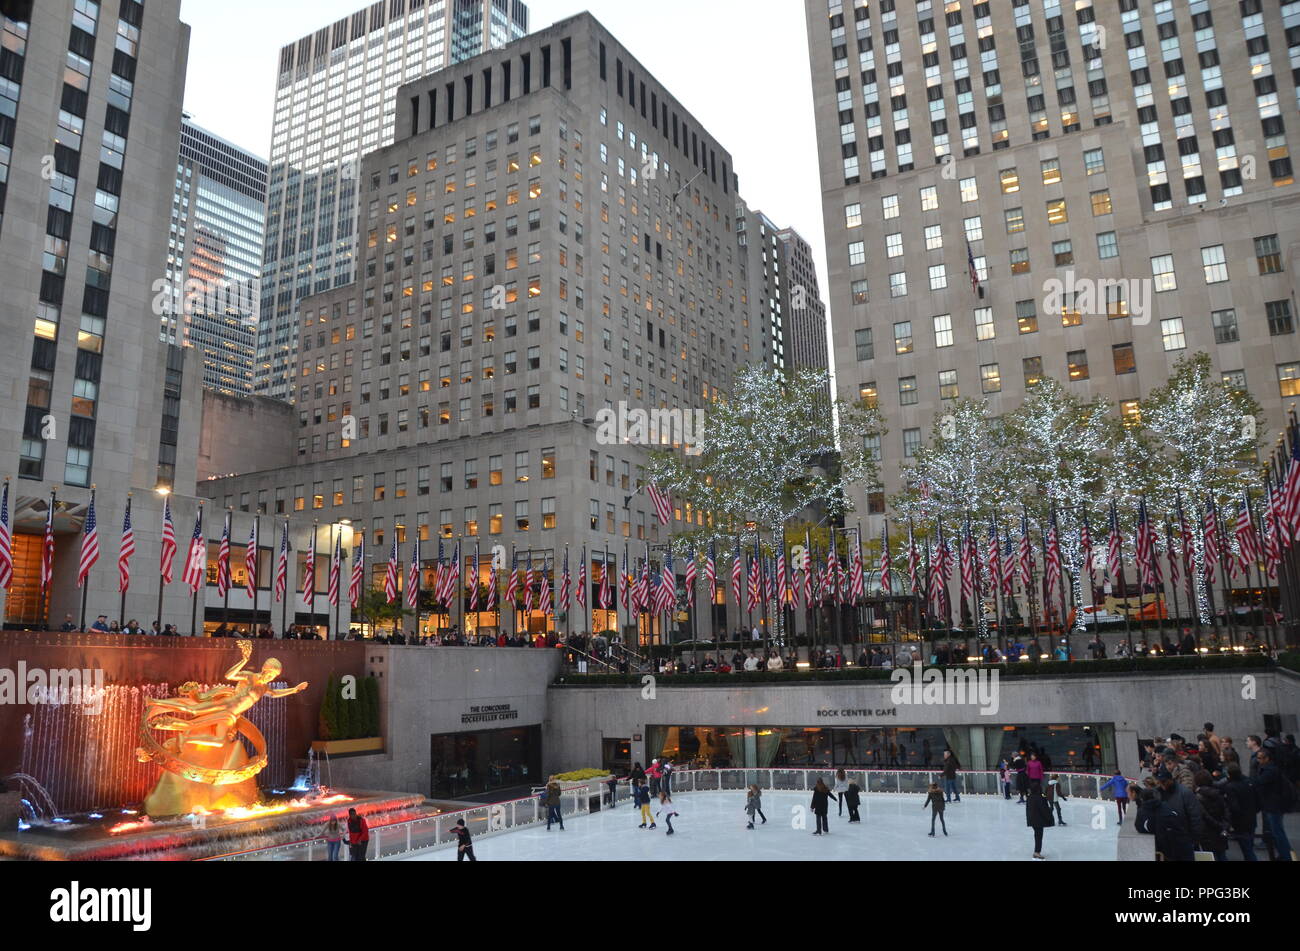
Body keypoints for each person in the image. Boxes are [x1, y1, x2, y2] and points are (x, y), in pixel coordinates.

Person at [1152, 768, 1205, 861]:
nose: (1162, 785)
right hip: (1167, 842)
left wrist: (1194, 839)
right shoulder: (1157, 793)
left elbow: (1195, 817)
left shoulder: (1185, 793)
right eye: (1160, 782)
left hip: (1184, 840)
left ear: (1171, 780)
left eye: (1164, 782)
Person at [1253, 749, 1294, 861]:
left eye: (1260, 758)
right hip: (1273, 805)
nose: (1258, 760)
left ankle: (1286, 855)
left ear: (1267, 758)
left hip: (1273, 806)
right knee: (1277, 831)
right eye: (1258, 758)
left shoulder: (1269, 771)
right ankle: (1285, 854)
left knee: (1278, 832)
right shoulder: (1269, 769)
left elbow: (1259, 782)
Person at [1221, 763, 1259, 861]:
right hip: (1251, 817)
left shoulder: (1230, 787)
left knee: (1247, 849)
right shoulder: (1249, 782)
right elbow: (1258, 799)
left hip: (1241, 822)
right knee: (1249, 846)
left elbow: (1234, 807)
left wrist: (1231, 822)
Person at [1193, 770, 1229, 861]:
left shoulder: (1198, 798)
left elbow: (1204, 816)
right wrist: (1224, 825)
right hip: (1221, 829)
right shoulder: (1218, 794)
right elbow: (1226, 810)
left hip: (1207, 832)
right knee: (1222, 854)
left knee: (1210, 856)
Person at [1025, 784, 1054, 860]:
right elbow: (1044, 810)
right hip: (1039, 820)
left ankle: (1037, 851)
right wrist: (1049, 817)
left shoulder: (1029, 797)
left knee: (1037, 835)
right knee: (1038, 836)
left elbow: (1028, 810)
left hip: (1033, 820)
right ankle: (1037, 852)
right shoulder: (1040, 798)